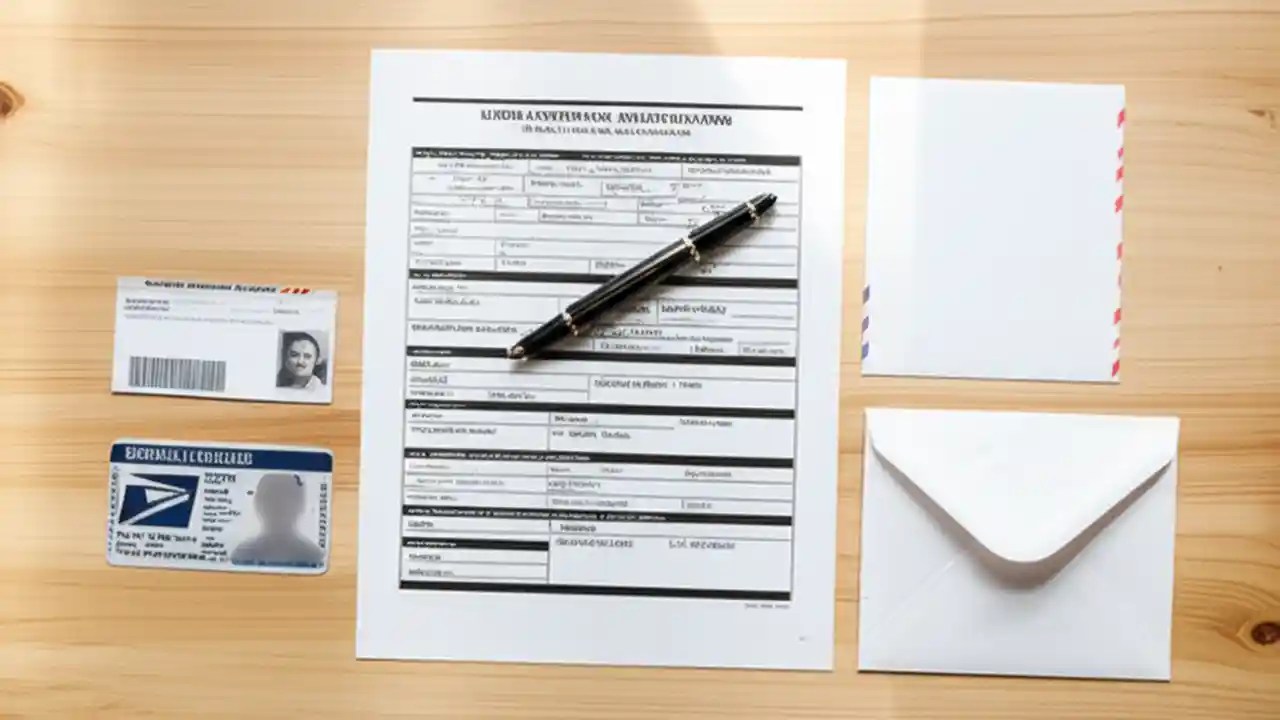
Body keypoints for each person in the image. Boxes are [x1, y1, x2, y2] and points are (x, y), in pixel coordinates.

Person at [231, 473, 325, 568]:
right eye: (271, 498)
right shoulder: (242, 555)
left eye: (285, 498)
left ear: (300, 504)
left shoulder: (314, 557)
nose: (278, 505)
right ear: (257, 503)